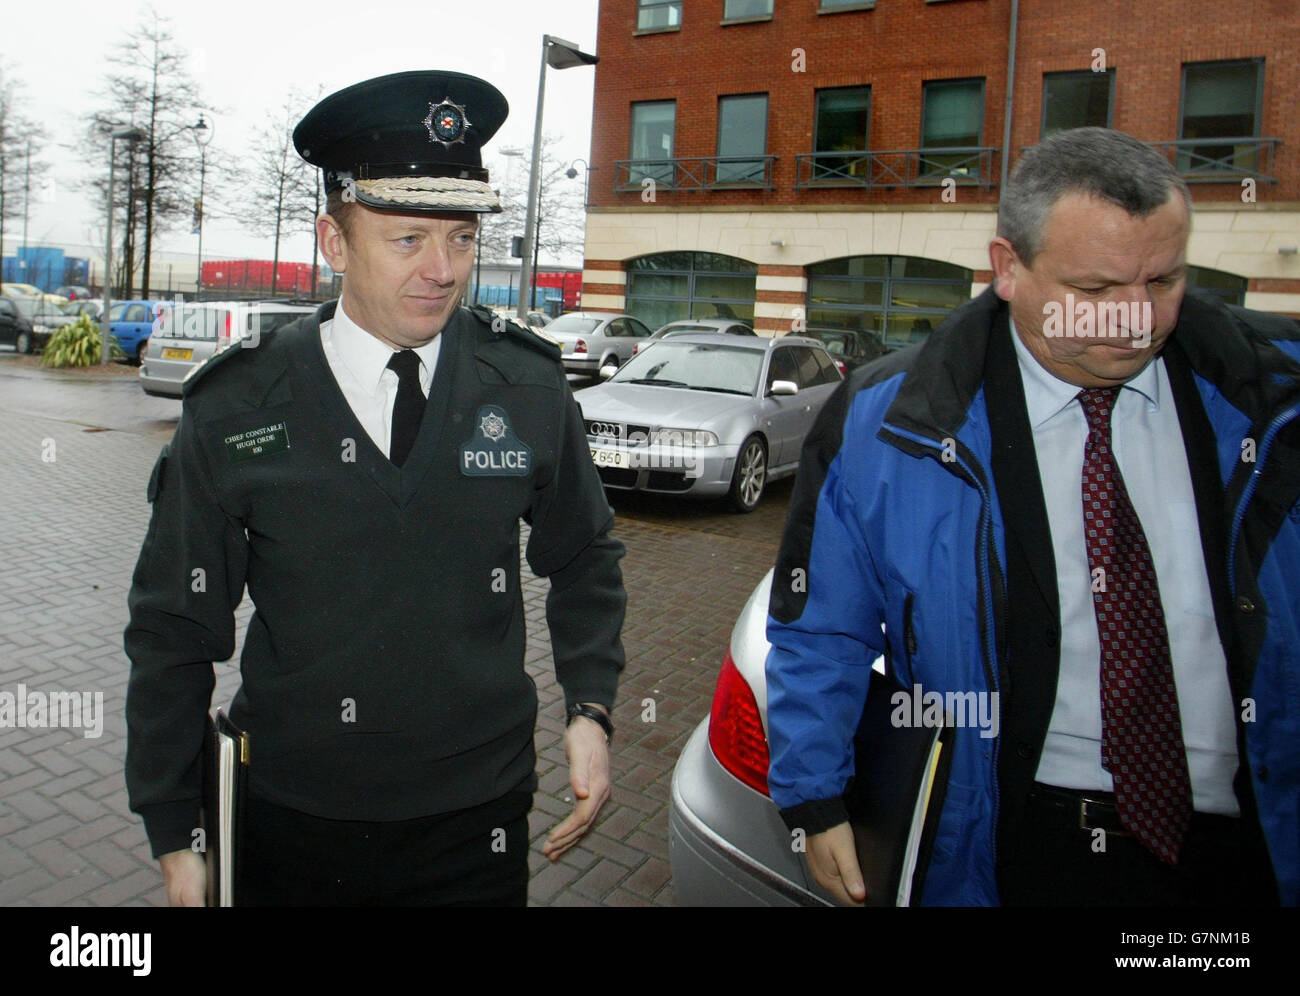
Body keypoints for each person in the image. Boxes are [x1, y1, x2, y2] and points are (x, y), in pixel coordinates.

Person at [124, 70, 627, 906]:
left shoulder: (528, 388)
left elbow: (584, 558)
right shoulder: (236, 406)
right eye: (407, 239)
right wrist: (177, 829)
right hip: (292, 820)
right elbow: (173, 630)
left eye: (461, 238)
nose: (442, 270)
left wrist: (593, 708)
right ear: (333, 240)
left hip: (478, 820)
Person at [765, 127, 1300, 907]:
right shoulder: (887, 420)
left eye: (1163, 280)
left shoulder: (1274, 397)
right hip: (1011, 844)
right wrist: (813, 802)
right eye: (1094, 291)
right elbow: (820, 630)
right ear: (1008, 268)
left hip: (1244, 845)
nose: (1135, 319)